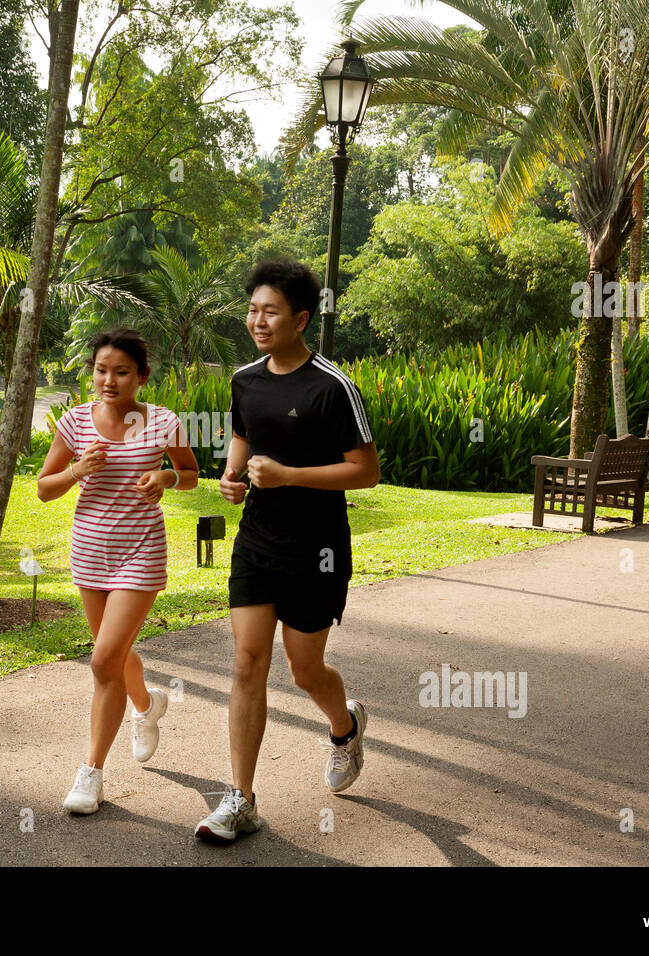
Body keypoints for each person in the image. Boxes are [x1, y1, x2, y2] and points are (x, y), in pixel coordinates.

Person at [195, 258, 380, 844]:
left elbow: (366, 471)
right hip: (257, 540)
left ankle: (345, 727)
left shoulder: (332, 386)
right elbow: (243, 434)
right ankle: (241, 799)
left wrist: (288, 475)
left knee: (305, 670)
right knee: (248, 661)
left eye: (270, 312)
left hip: (317, 549)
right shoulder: (245, 379)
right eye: (252, 310)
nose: (258, 321)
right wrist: (231, 475)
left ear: (301, 319)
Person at [37, 327, 200, 815]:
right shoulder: (75, 422)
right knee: (113, 655)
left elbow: (191, 475)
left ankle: (91, 773)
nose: (109, 380)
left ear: (142, 376)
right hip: (90, 552)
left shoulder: (164, 421)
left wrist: (166, 476)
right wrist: (76, 471)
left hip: (141, 551)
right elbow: (44, 488)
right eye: (101, 370)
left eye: (121, 372)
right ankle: (146, 706)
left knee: (103, 660)